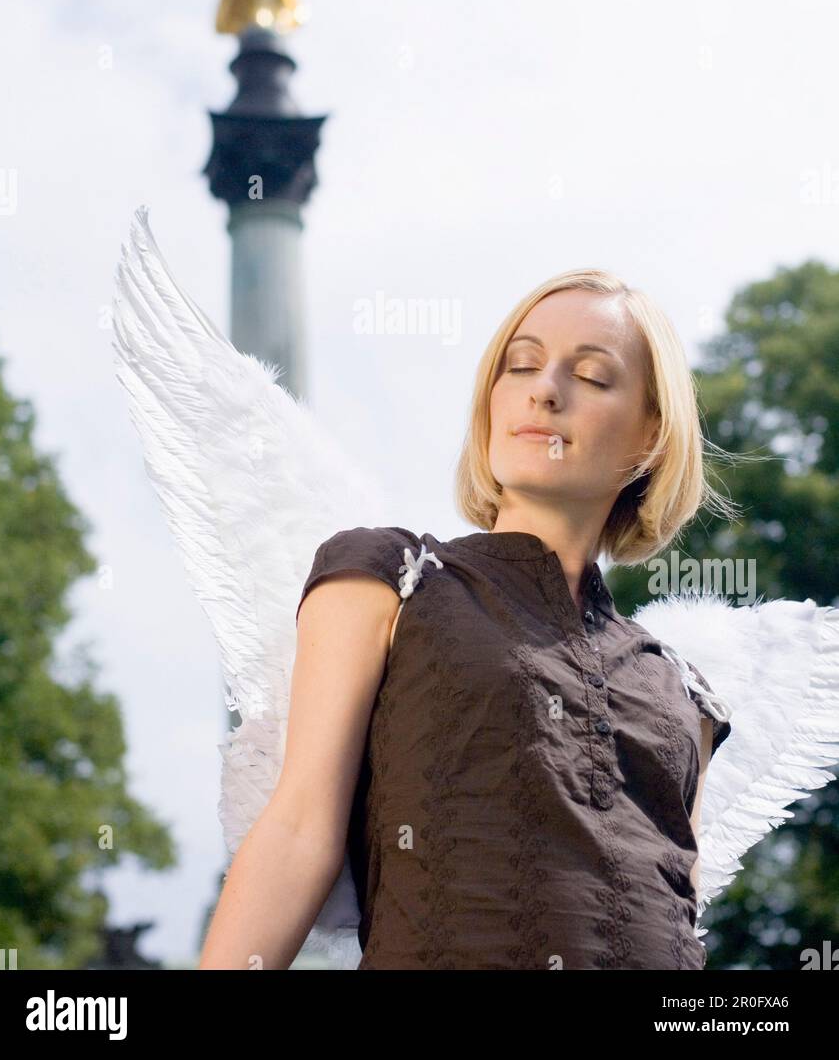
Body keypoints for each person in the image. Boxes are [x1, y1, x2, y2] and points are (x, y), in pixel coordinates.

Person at [199, 268, 736, 969]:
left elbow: (677, 913)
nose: (544, 389)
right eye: (520, 365)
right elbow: (300, 829)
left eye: (594, 376)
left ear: (650, 441)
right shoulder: (388, 577)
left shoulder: (681, 691)